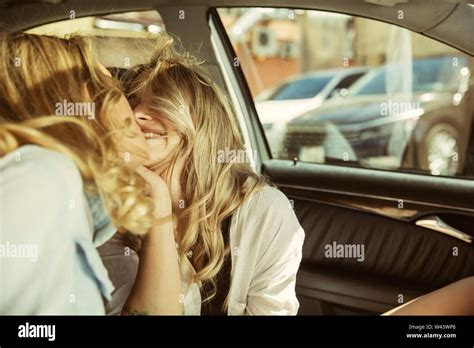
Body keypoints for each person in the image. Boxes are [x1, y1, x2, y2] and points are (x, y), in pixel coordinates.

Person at [98, 34, 306, 315]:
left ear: (203, 124)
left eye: (159, 102)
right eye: (132, 102)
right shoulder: (113, 220)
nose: (137, 115)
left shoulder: (264, 212)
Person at [0, 32, 182, 315]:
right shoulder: (44, 180)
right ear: (82, 100)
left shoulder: (66, 192)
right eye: (115, 86)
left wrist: (158, 204)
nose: (135, 114)